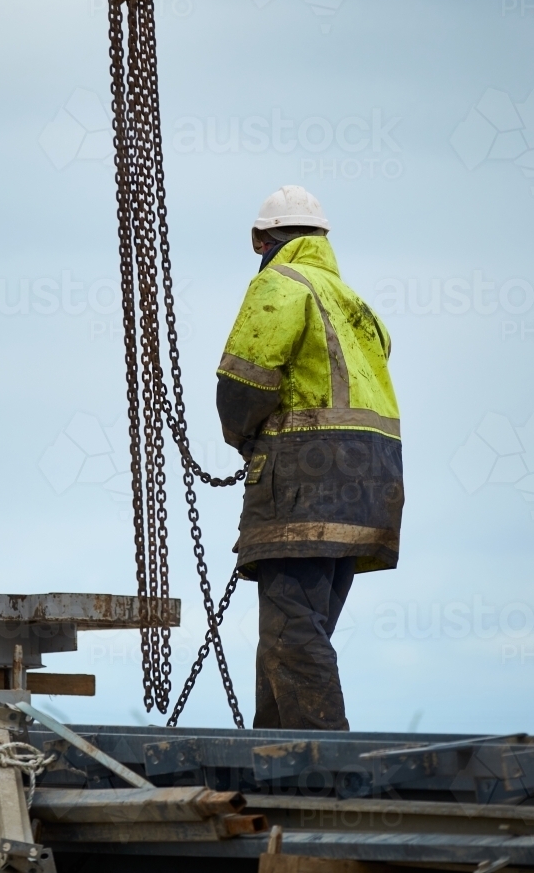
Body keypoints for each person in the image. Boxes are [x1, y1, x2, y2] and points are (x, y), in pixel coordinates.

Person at [216, 185, 403, 731]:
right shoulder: (356, 304)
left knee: (290, 631)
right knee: (298, 629)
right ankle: (274, 757)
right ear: (322, 240)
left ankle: (325, 762)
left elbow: (243, 383)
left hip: (306, 478)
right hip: (372, 486)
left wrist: (242, 436)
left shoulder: (279, 284)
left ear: (260, 239)